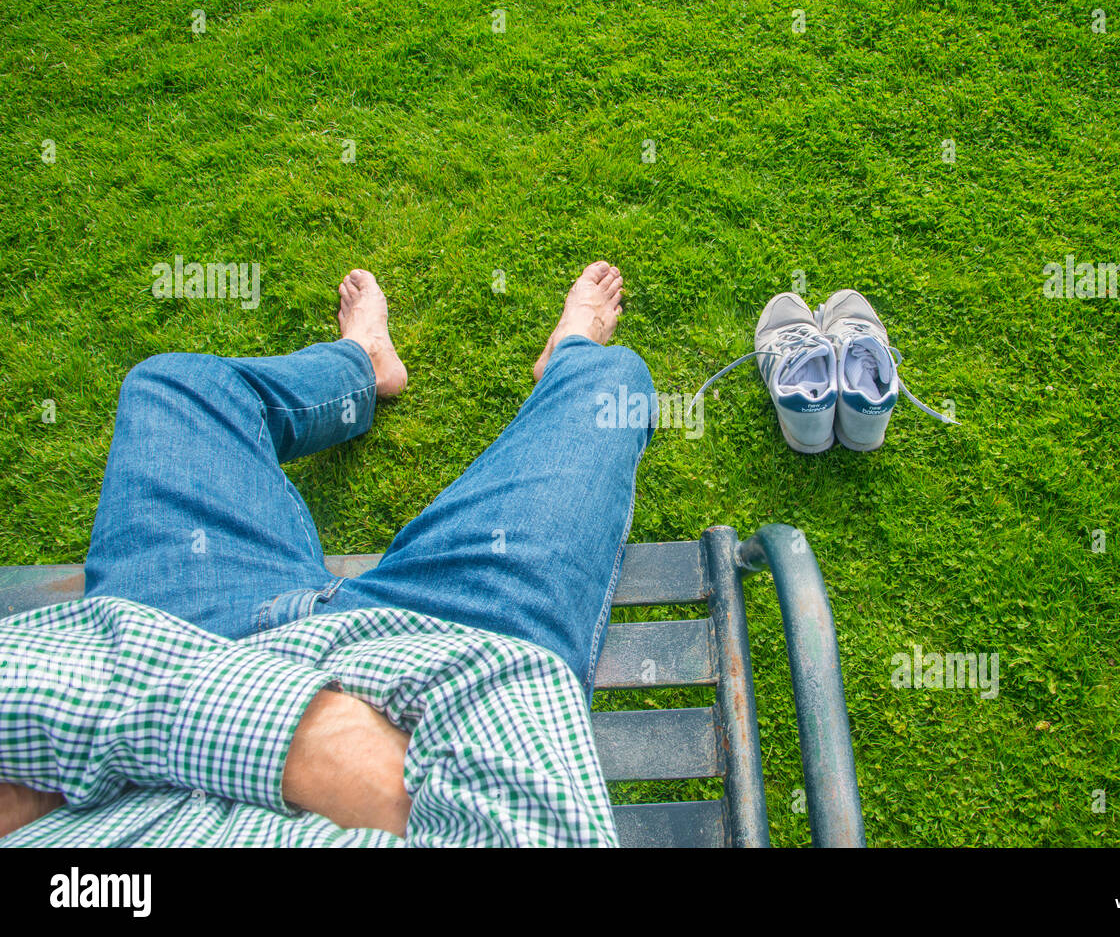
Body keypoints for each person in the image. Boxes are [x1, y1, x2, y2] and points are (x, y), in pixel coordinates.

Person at [0, 261, 653, 846]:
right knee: (607, 392)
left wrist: (294, 738)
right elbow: (529, 795)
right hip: (442, 668)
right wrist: (314, 739)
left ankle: (361, 364)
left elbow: (24, 677)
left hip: (182, 637)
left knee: (175, 389)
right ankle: (571, 358)